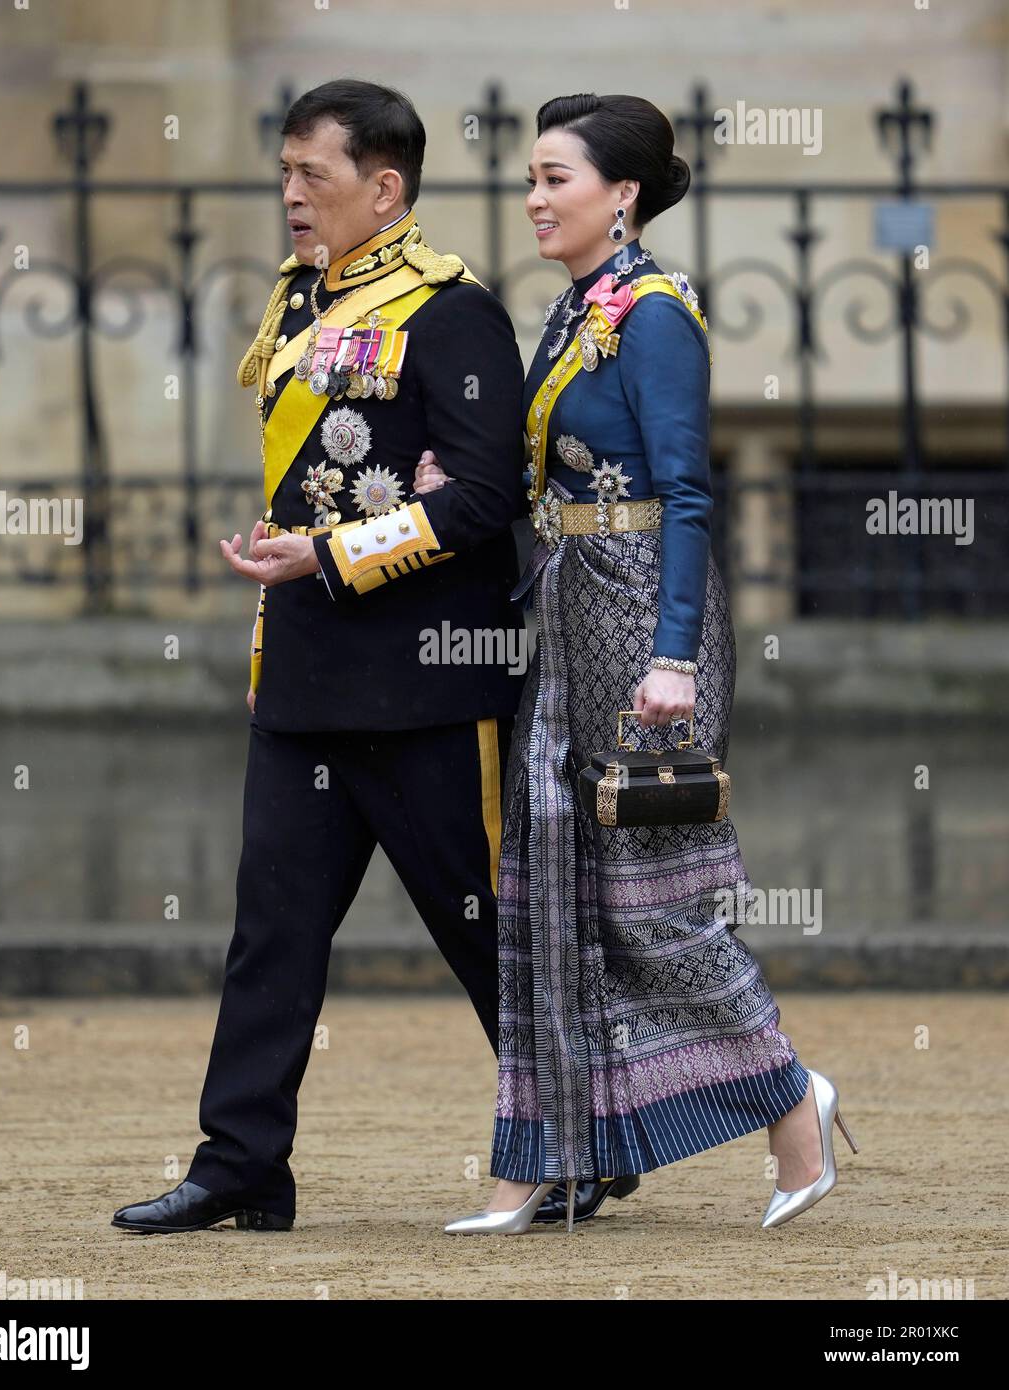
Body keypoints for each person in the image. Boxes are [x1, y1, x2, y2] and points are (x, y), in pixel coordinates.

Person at [112, 79, 611, 1235]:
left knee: (490, 931)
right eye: (283, 173)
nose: (290, 196)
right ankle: (241, 1163)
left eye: (313, 176)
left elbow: (491, 494)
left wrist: (334, 552)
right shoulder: (300, 300)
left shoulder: (454, 311)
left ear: (384, 188)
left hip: (432, 684)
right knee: (270, 934)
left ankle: (581, 1144)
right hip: (304, 677)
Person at [416, 93, 859, 1236]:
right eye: (529, 177)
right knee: (550, 893)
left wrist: (673, 659)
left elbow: (690, 495)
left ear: (622, 194)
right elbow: (546, 477)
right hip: (565, 618)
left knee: (659, 903)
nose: (533, 198)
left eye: (555, 177)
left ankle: (789, 1100)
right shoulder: (572, 313)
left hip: (641, 624)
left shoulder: (655, 313)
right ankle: (541, 1164)